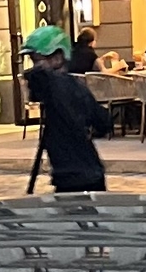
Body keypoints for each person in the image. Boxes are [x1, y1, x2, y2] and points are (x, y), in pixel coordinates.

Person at [23, 22, 112, 192]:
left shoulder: (61, 86)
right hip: (78, 173)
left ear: (57, 58)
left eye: (37, 60)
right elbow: (103, 122)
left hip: (79, 176)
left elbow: (102, 121)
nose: (34, 66)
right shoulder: (72, 87)